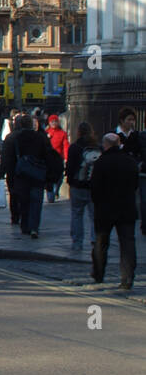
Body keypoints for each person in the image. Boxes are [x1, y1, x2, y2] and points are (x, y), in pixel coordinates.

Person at [90, 132, 138, 290]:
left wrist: (98, 204)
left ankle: (98, 274)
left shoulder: (101, 162)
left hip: (105, 209)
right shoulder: (130, 162)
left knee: (101, 243)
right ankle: (128, 277)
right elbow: (135, 185)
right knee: (127, 243)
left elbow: (94, 188)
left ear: (106, 145)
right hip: (126, 208)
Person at [3, 113, 59, 239]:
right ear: (31, 125)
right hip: (37, 173)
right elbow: (48, 155)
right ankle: (34, 227)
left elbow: (8, 158)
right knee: (36, 201)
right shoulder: (40, 137)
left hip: (21, 174)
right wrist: (50, 175)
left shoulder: (14, 138)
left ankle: (25, 225)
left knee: (24, 200)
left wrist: (6, 173)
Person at [66, 122, 99, 255]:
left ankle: (77, 242)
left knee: (77, 214)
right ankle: (95, 240)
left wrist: (70, 181)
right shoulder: (97, 147)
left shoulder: (74, 147)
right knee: (94, 215)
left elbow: (70, 167)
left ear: (78, 132)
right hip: (93, 186)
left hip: (77, 185)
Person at [114, 108, 145, 237]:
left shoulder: (136, 136)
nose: (132, 123)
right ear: (122, 120)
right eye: (129, 120)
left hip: (133, 172)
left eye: (133, 120)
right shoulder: (114, 135)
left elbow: (140, 152)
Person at [44, 114, 69, 203]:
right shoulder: (46, 132)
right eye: (52, 121)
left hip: (58, 158)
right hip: (48, 158)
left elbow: (65, 146)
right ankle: (51, 194)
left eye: (55, 121)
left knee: (60, 176)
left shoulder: (62, 133)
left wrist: (66, 157)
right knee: (49, 177)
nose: (54, 123)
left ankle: (56, 190)